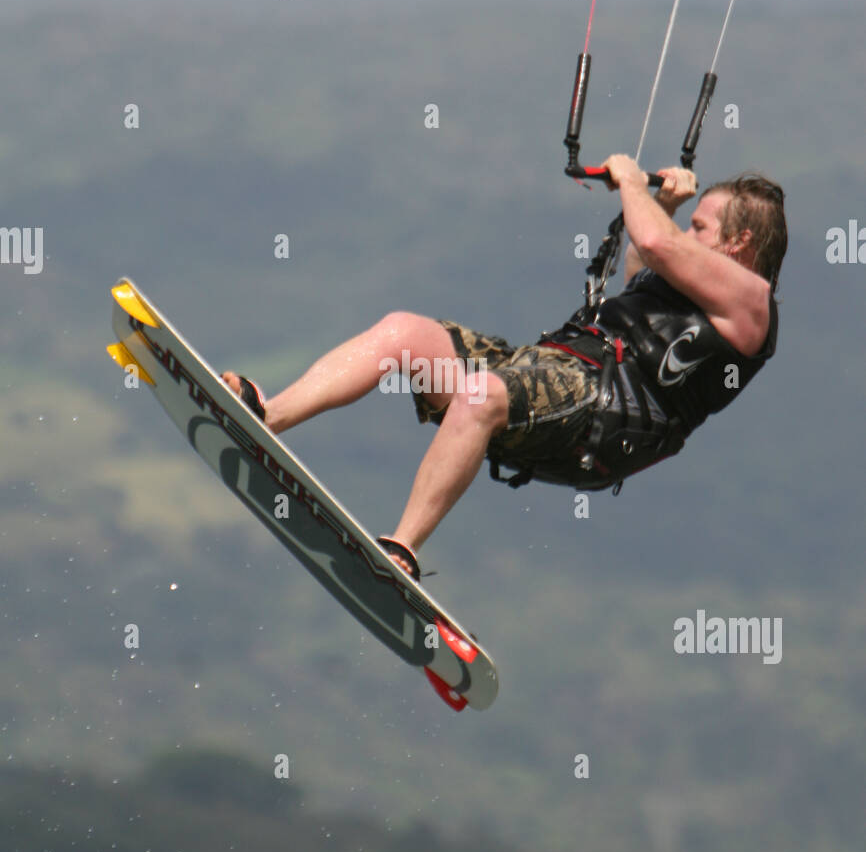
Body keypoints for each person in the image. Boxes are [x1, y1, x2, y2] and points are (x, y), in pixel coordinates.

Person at [223, 154, 786, 579]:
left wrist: (636, 189)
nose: (690, 234)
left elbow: (658, 246)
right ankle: (267, 417)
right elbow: (644, 263)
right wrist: (666, 207)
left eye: (703, 228)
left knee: (481, 396)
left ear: (739, 242)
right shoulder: (694, 272)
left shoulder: (751, 303)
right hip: (556, 373)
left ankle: (402, 550)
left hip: (604, 420)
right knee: (404, 335)